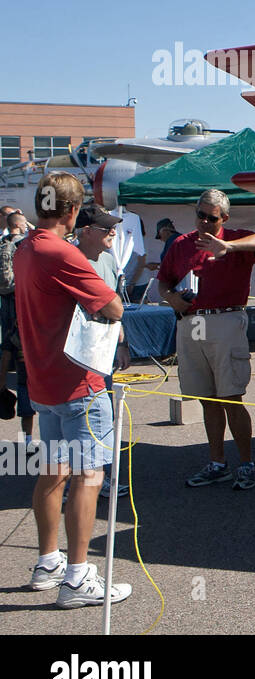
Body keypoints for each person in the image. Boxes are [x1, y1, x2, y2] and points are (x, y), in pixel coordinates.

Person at [15, 172, 131, 608]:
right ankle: (78, 577)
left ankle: (49, 562)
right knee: (88, 476)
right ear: (73, 212)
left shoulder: (26, 247)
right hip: (77, 382)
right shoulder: (60, 252)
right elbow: (113, 305)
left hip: (44, 380)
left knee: (53, 471)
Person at [157, 190, 255, 490]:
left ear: (224, 218)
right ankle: (217, 462)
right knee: (206, 398)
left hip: (225, 319)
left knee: (231, 396)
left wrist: (229, 247)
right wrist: (171, 299)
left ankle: (247, 463)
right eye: (201, 215)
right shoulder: (181, 244)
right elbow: (163, 281)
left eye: (211, 217)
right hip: (190, 322)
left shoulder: (236, 239)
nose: (205, 221)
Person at [73, 206, 132, 497]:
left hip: (104, 351)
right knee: (80, 416)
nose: (113, 232)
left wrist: (122, 344)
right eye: (105, 228)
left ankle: (99, 478)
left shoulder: (107, 260)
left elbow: (116, 306)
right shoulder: (71, 260)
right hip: (76, 351)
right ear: (85, 232)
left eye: (113, 227)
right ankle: (79, 481)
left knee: (101, 413)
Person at [0, 210, 34, 442]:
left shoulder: (1, 245)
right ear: (20, 226)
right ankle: (27, 438)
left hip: (7, 317)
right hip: (23, 317)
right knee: (25, 381)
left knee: (5, 368)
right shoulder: (25, 246)